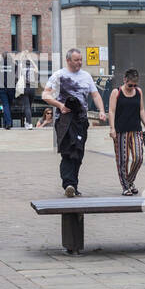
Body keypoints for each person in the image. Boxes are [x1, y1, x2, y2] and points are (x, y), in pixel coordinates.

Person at [42, 48, 106, 197]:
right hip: (64, 120)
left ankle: (73, 185)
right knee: (67, 152)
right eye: (76, 60)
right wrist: (60, 106)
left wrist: (101, 110)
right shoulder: (59, 76)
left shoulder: (86, 76)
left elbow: (95, 95)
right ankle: (68, 184)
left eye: (80, 60)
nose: (79, 63)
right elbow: (45, 94)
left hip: (81, 120)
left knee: (78, 153)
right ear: (68, 60)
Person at [109, 68, 145, 196]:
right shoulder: (117, 92)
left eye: (135, 85)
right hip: (121, 131)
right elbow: (111, 111)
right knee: (123, 160)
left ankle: (130, 181)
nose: (132, 87)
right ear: (124, 80)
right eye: (130, 84)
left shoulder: (138, 92)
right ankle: (125, 186)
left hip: (136, 129)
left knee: (139, 158)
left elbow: (141, 109)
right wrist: (112, 128)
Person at [14, 53, 38, 129]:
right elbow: (37, 70)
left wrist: (21, 58)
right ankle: (27, 121)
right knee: (29, 106)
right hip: (32, 89)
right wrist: (31, 59)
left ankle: (29, 123)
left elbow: (17, 73)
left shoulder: (22, 68)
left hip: (24, 88)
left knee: (27, 106)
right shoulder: (33, 69)